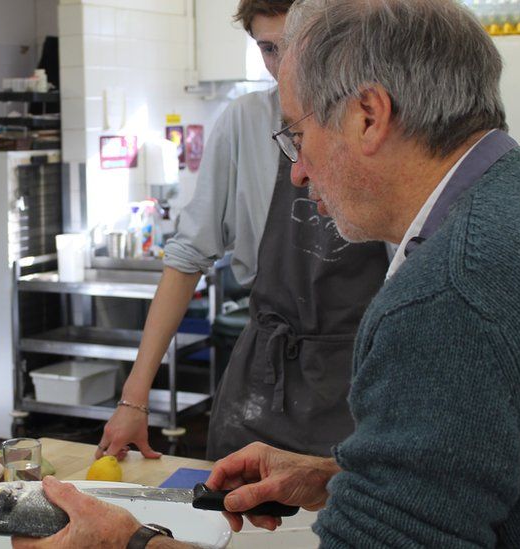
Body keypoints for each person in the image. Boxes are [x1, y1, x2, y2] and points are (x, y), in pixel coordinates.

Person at [17, 0, 520, 547]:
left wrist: (129, 542)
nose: (297, 171)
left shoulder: (439, 298)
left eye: (298, 133)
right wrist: (333, 477)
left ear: (368, 115)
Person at [98, 0, 389, 462]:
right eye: (269, 49)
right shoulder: (245, 120)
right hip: (263, 377)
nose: (284, 66)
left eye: (294, 46)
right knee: (234, 522)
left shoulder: (376, 123)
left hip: (361, 375)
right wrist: (133, 400)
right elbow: (187, 256)